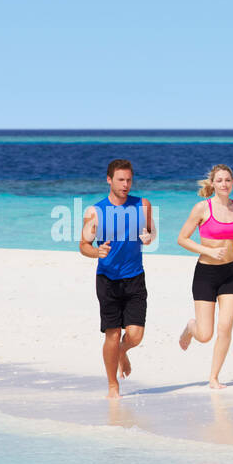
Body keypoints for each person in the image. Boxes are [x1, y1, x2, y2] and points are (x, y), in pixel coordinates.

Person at [78, 159, 155, 398]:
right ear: (109, 179)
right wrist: (96, 252)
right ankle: (113, 385)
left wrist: (149, 237)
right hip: (108, 279)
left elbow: (151, 232)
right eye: (120, 180)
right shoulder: (94, 211)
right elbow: (83, 244)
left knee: (135, 335)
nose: (126, 185)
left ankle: (122, 352)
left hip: (134, 277)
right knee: (111, 333)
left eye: (129, 180)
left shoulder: (142, 205)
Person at [176, 164, 233, 389]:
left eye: (228, 180)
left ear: (232, 182)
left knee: (225, 327)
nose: (224, 184)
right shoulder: (202, 208)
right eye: (220, 180)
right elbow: (182, 239)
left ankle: (214, 377)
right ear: (213, 184)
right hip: (205, 274)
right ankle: (191, 327)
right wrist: (207, 250)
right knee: (205, 334)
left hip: (229, 273)